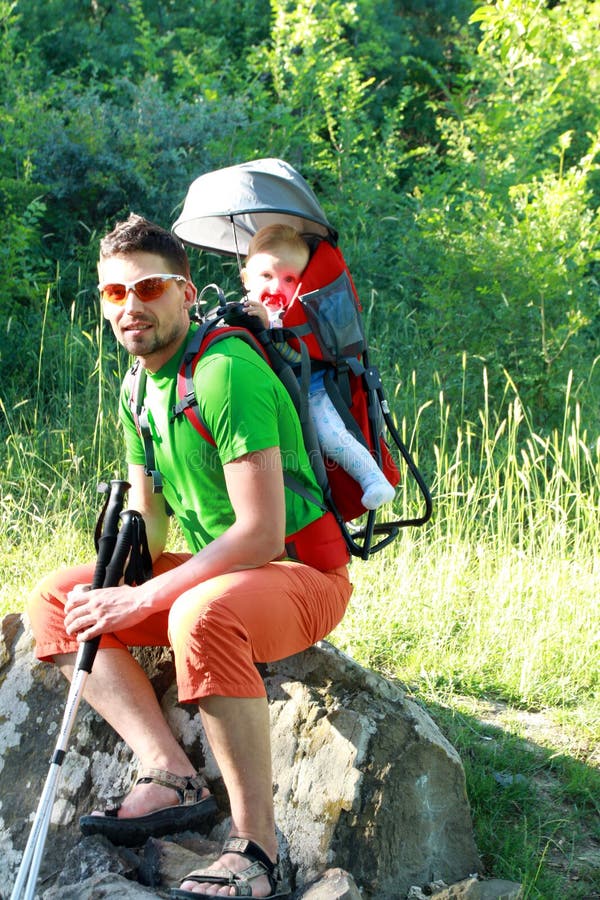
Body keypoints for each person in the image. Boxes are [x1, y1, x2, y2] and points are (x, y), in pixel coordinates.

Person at [26, 213, 353, 899]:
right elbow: (149, 529)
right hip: (225, 570)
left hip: (300, 574)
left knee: (197, 618)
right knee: (56, 602)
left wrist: (140, 599)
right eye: (114, 294)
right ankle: (167, 770)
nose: (132, 306)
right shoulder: (137, 389)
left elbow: (262, 533)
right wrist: (116, 568)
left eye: (148, 288)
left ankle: (256, 850)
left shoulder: (225, 371)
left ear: (186, 293)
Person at [241, 224, 396, 511]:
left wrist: (270, 328)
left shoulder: (289, 317)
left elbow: (298, 357)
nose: (276, 287)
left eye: (289, 279)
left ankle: (372, 477)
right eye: (266, 276)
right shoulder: (243, 308)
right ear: (246, 278)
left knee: (330, 434)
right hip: (267, 395)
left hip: (311, 390)